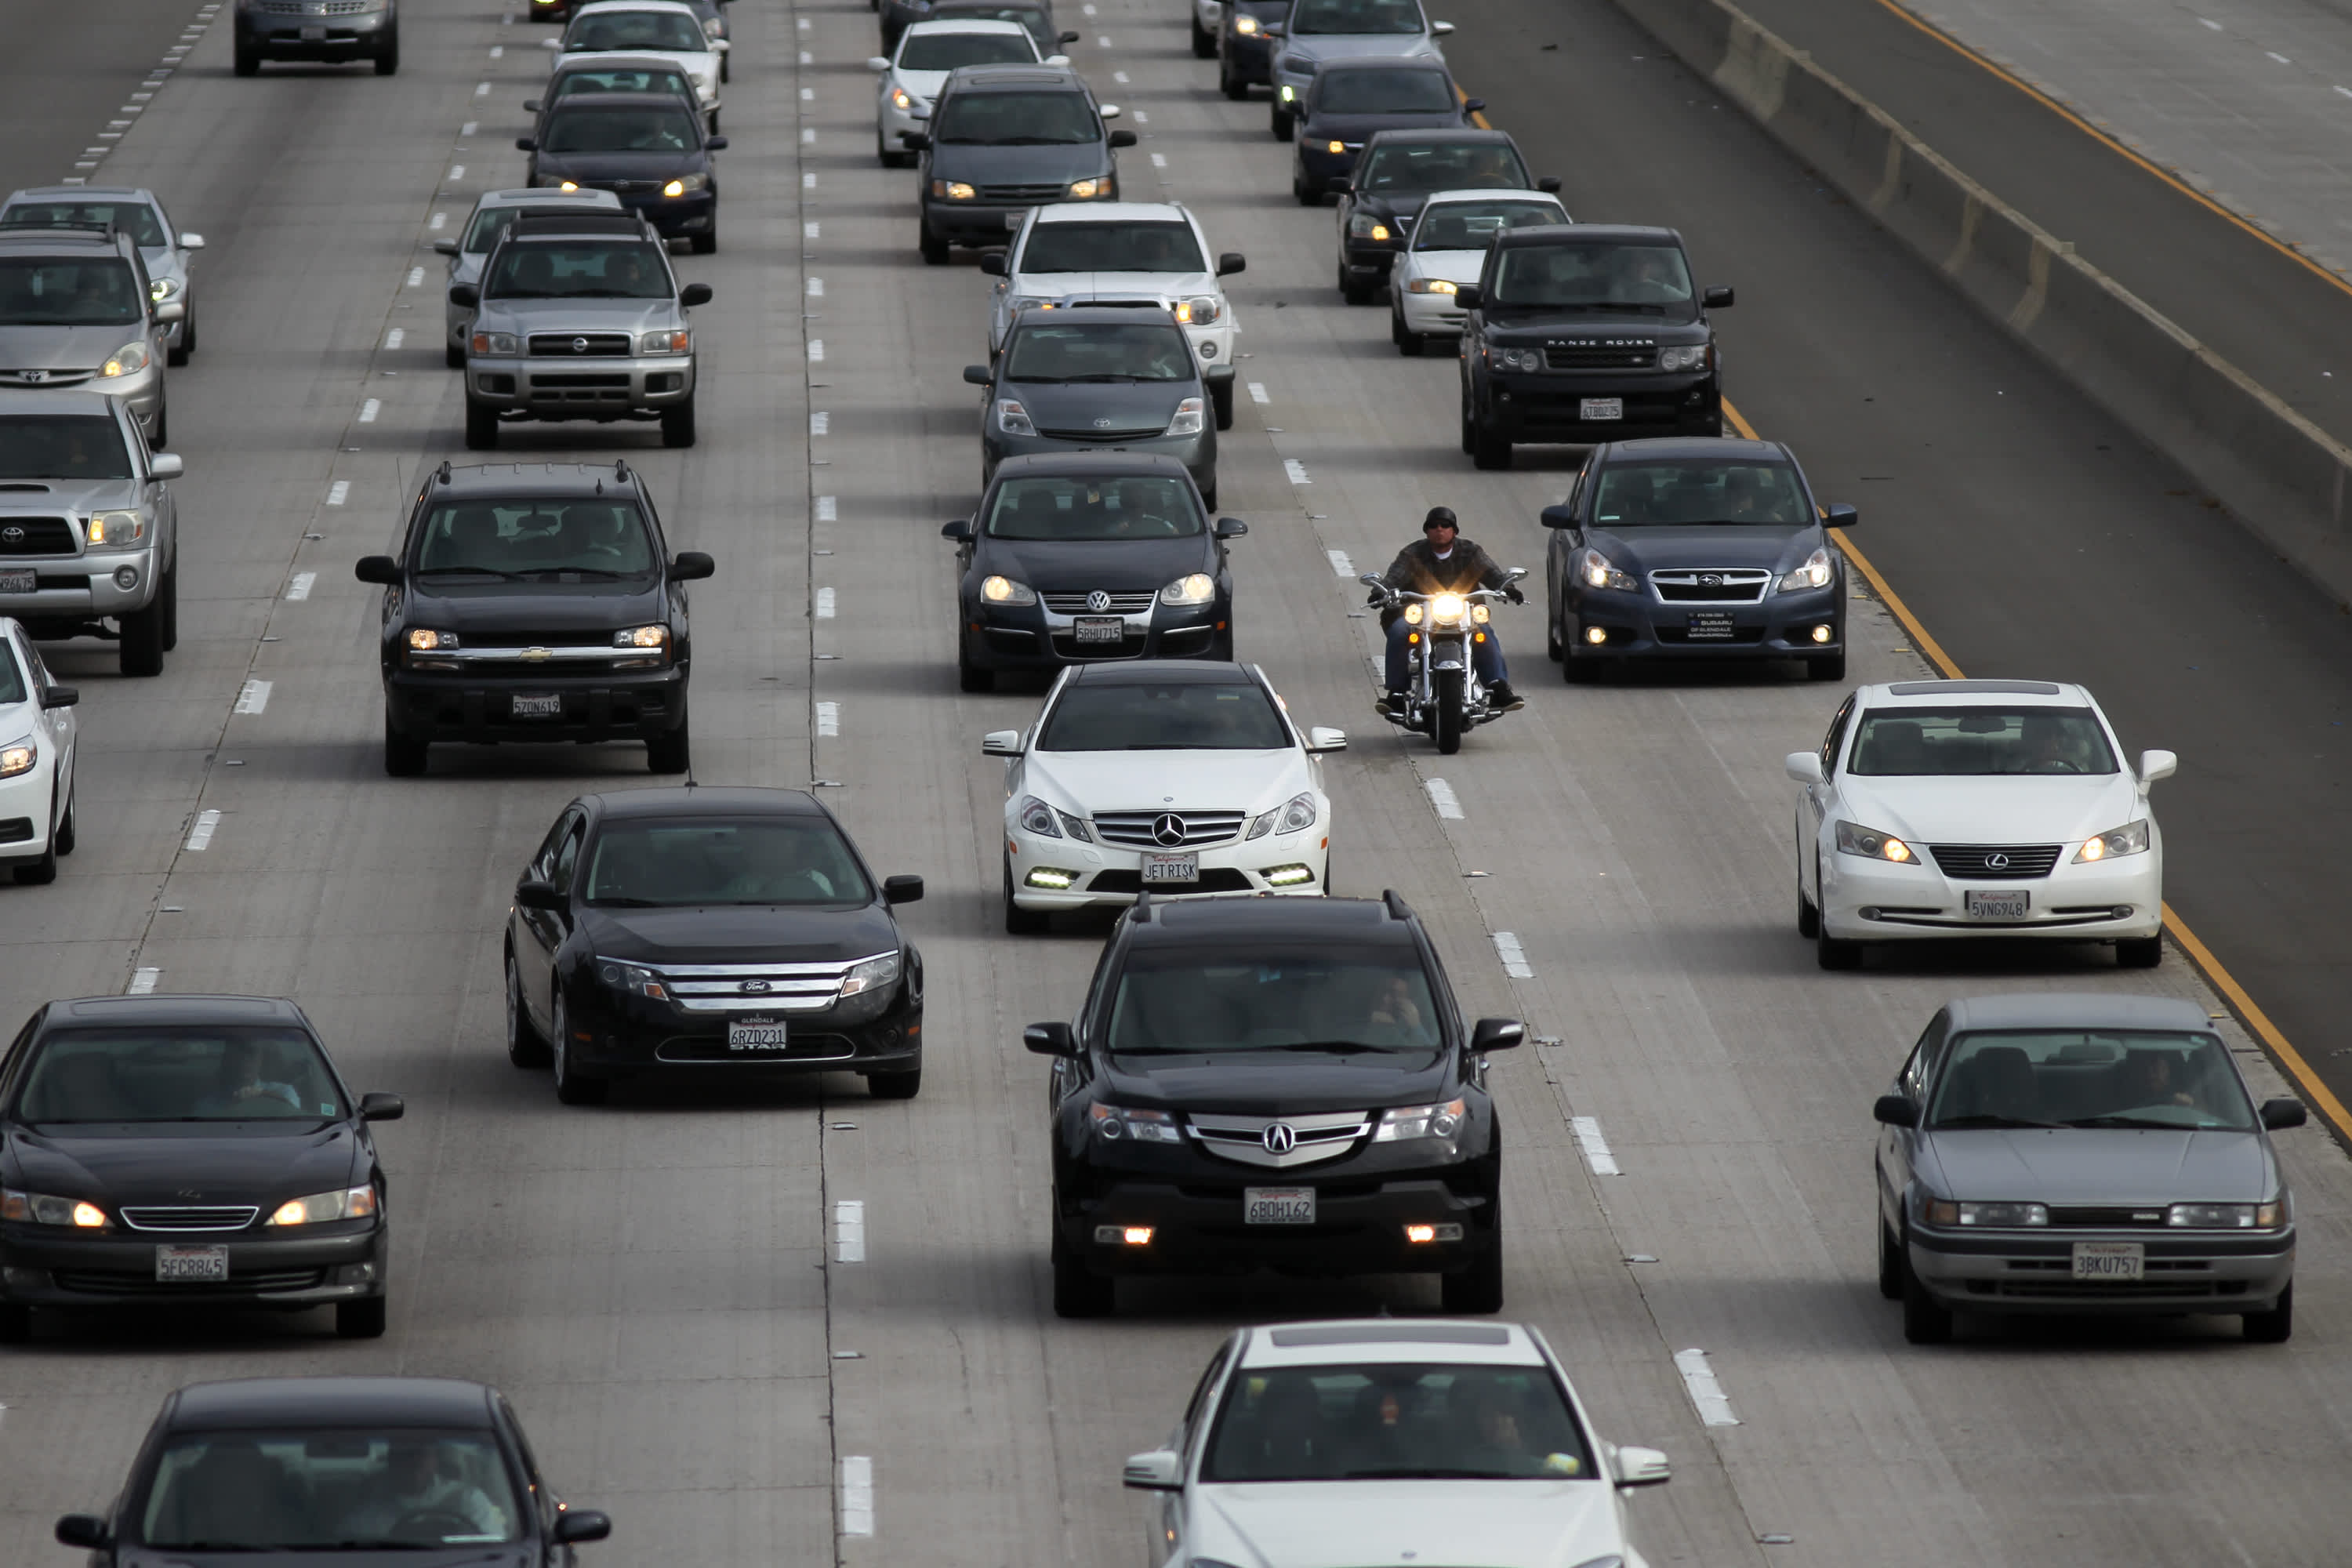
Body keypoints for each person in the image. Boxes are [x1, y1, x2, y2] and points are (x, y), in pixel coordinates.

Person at [1373, 506, 1520, 716]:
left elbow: (1494, 574)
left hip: (1465, 611)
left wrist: (1508, 588)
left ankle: (1499, 688)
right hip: (1421, 613)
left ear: (1454, 530)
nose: (1439, 529)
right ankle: (1396, 694)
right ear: (1426, 530)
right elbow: (1394, 577)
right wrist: (1381, 591)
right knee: (1399, 632)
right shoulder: (1412, 554)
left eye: (1445, 525)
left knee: (1484, 633)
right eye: (1433, 526)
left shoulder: (1471, 552)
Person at [342, 1440, 510, 1544]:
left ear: (435, 1460)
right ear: (392, 1461)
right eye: (406, 1456)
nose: (415, 1463)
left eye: (421, 1455)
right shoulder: (370, 1513)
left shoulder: (469, 1500)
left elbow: (496, 1547)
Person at [199, 1036, 302, 1116]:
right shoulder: (208, 1105)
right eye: (238, 1054)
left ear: (261, 1060)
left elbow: (296, 1118)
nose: (244, 1061)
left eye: (251, 1053)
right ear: (227, 1060)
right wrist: (233, 1105)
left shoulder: (284, 1092)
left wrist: (263, 1095)